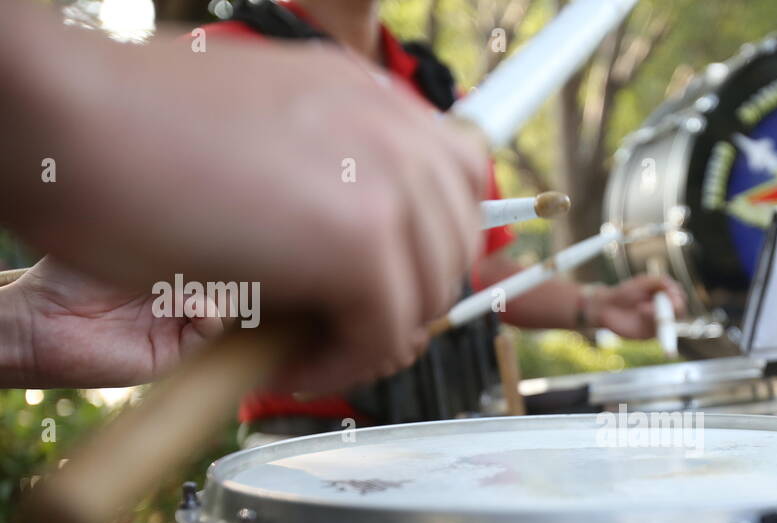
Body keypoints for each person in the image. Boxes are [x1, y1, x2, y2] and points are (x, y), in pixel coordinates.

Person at [201, 0, 685, 442]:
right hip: (307, 450)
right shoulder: (215, 61)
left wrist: (595, 305)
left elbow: (483, 275)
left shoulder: (437, 91)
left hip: (455, 443)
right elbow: (166, 260)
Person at [0, 0, 487, 393]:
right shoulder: (217, 54)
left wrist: (31, 328)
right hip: (296, 426)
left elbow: (485, 262)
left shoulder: (435, 84)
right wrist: (83, 91)